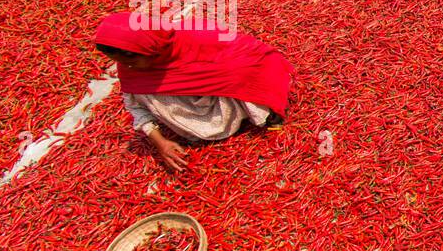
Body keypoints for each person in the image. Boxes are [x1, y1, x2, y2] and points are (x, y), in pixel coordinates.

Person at [93, 10, 293, 173]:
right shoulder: (131, 68)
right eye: (120, 62)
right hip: (195, 110)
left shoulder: (200, 39)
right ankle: (203, 129)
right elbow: (135, 107)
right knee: (143, 91)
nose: (126, 67)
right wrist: (160, 142)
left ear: (151, 48)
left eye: (131, 60)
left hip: (222, 94)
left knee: (241, 72)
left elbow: (260, 59)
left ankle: (260, 115)